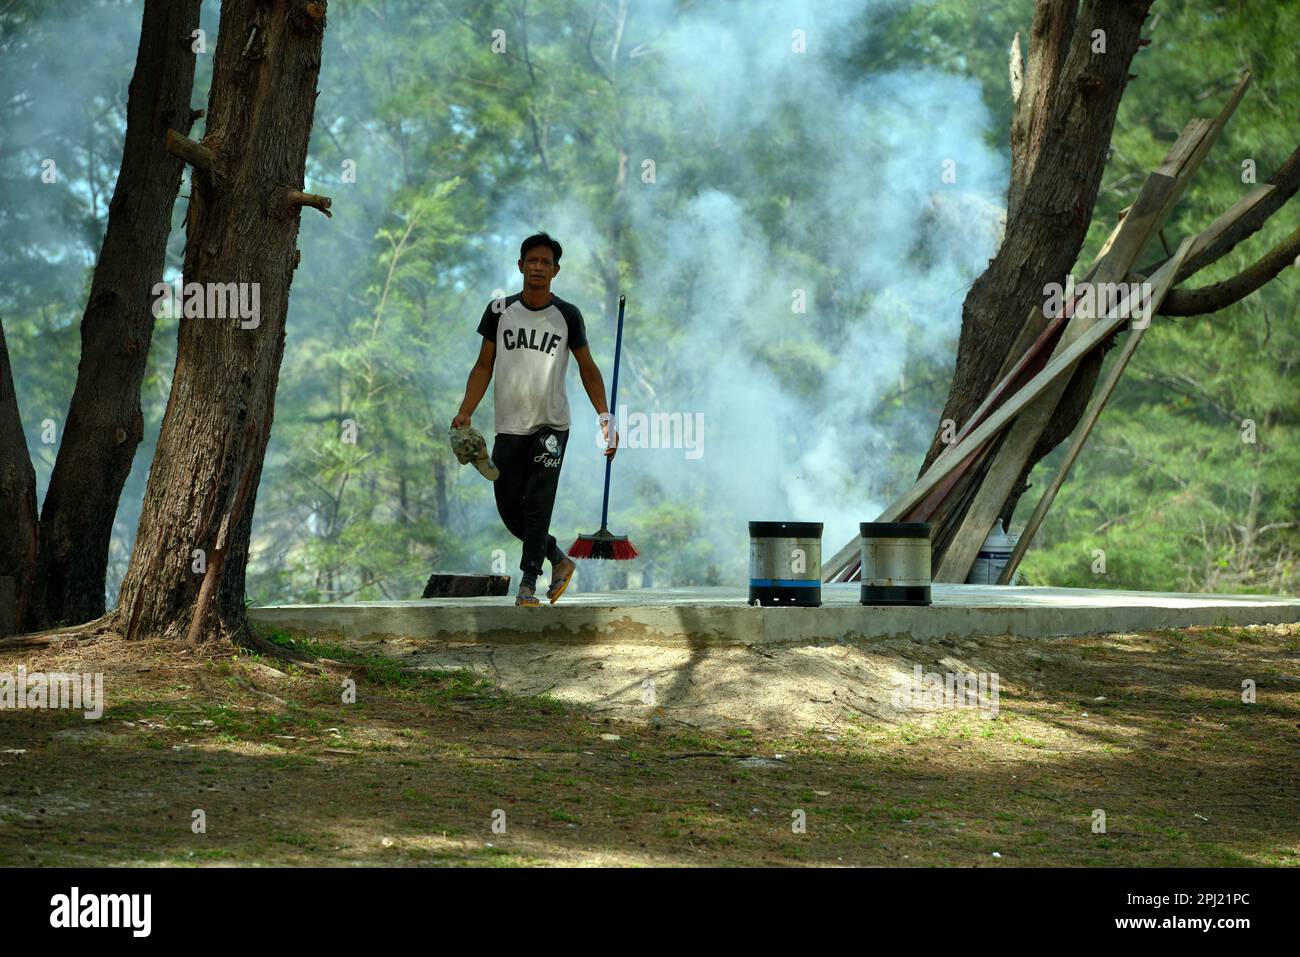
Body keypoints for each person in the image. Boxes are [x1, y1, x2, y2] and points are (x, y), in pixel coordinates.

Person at [452, 232, 618, 605]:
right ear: (520, 266)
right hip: (509, 426)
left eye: (546, 262)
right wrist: (465, 410)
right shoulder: (498, 311)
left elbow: (588, 370)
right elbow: (483, 366)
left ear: (556, 270)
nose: (538, 267)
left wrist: (605, 417)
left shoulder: (567, 315)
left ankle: (528, 583)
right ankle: (558, 559)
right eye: (532, 260)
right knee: (510, 508)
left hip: (551, 425)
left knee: (538, 503)